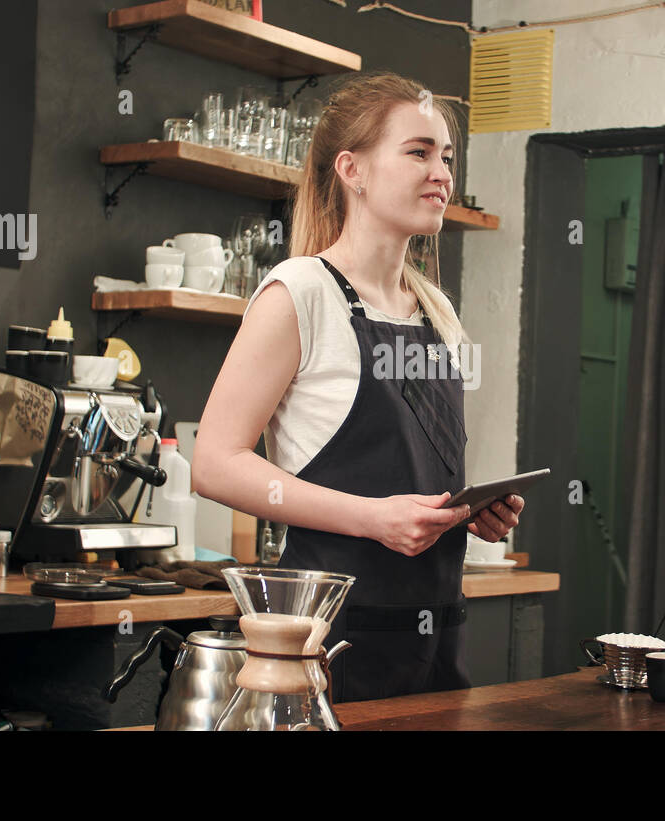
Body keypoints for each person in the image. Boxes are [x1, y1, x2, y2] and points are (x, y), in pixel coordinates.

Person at [192, 72, 524, 703]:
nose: (441, 174)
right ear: (353, 170)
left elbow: (418, 467)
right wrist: (374, 520)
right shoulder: (300, 293)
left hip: (436, 641)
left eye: (447, 158)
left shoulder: (436, 312)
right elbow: (213, 464)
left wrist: (467, 509)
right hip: (331, 643)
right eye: (419, 152)